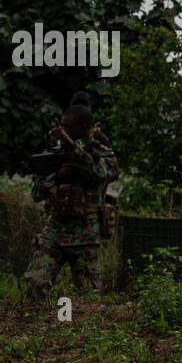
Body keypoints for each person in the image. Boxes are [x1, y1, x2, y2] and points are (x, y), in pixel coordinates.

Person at [23, 104, 119, 301]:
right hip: (56, 228)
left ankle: (83, 331)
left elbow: (100, 173)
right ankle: (36, 328)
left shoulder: (102, 152)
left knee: (89, 297)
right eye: (63, 127)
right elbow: (37, 192)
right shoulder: (55, 153)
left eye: (69, 127)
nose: (64, 132)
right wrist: (58, 176)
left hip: (85, 231)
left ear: (84, 127)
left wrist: (75, 153)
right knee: (35, 284)